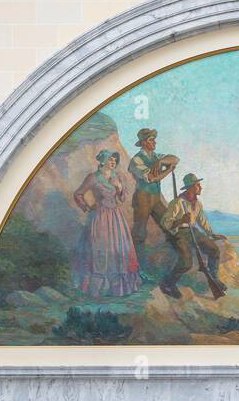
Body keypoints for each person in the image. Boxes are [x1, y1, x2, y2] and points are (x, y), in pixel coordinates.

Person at [71, 150, 141, 298]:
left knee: (118, 249)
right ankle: (96, 290)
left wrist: (119, 187)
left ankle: (117, 289)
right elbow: (78, 194)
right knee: (99, 248)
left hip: (116, 218)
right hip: (100, 217)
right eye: (110, 159)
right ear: (102, 161)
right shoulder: (93, 178)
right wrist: (87, 207)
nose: (113, 162)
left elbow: (122, 199)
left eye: (115, 160)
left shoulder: (117, 177)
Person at [159, 172, 226, 299]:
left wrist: (211, 234)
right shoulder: (177, 202)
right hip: (178, 233)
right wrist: (181, 221)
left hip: (192, 232)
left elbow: (202, 221)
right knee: (186, 262)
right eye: (197, 185)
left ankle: (214, 279)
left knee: (214, 250)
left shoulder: (197, 203)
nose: (200, 188)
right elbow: (165, 223)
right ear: (190, 187)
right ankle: (168, 284)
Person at [128, 128, 179, 270]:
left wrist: (161, 161)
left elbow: (175, 159)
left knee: (167, 224)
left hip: (155, 198)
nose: (154, 142)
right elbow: (151, 178)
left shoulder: (156, 157)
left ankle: (172, 260)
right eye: (151, 140)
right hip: (142, 197)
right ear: (144, 143)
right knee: (140, 233)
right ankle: (139, 267)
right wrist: (168, 170)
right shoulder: (136, 160)